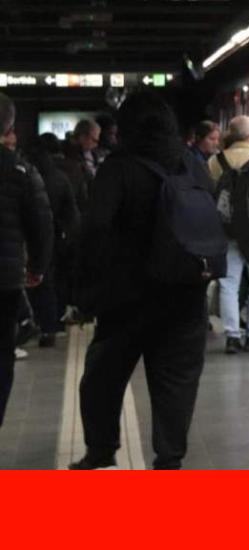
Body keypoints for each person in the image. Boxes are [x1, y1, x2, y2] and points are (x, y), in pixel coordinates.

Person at [70, 91, 213, 470]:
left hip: (126, 299)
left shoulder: (118, 167)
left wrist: (86, 290)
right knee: (176, 385)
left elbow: (95, 229)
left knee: (102, 379)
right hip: (185, 297)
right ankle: (169, 458)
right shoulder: (192, 165)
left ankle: (101, 450)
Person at [0, 92, 54, 429]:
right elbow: (41, 224)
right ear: (9, 124)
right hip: (4, 280)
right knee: (2, 356)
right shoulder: (18, 169)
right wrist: (37, 267)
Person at [209, 116, 249, 354]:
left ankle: (232, 336)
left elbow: (209, 195)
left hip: (226, 230)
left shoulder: (215, 161)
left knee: (228, 283)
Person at [25, 137, 80, 348]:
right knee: (50, 281)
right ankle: (50, 326)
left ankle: (30, 324)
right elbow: (72, 211)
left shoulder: (27, 174)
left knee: (29, 281)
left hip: (29, 236)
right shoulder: (62, 176)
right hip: (56, 236)